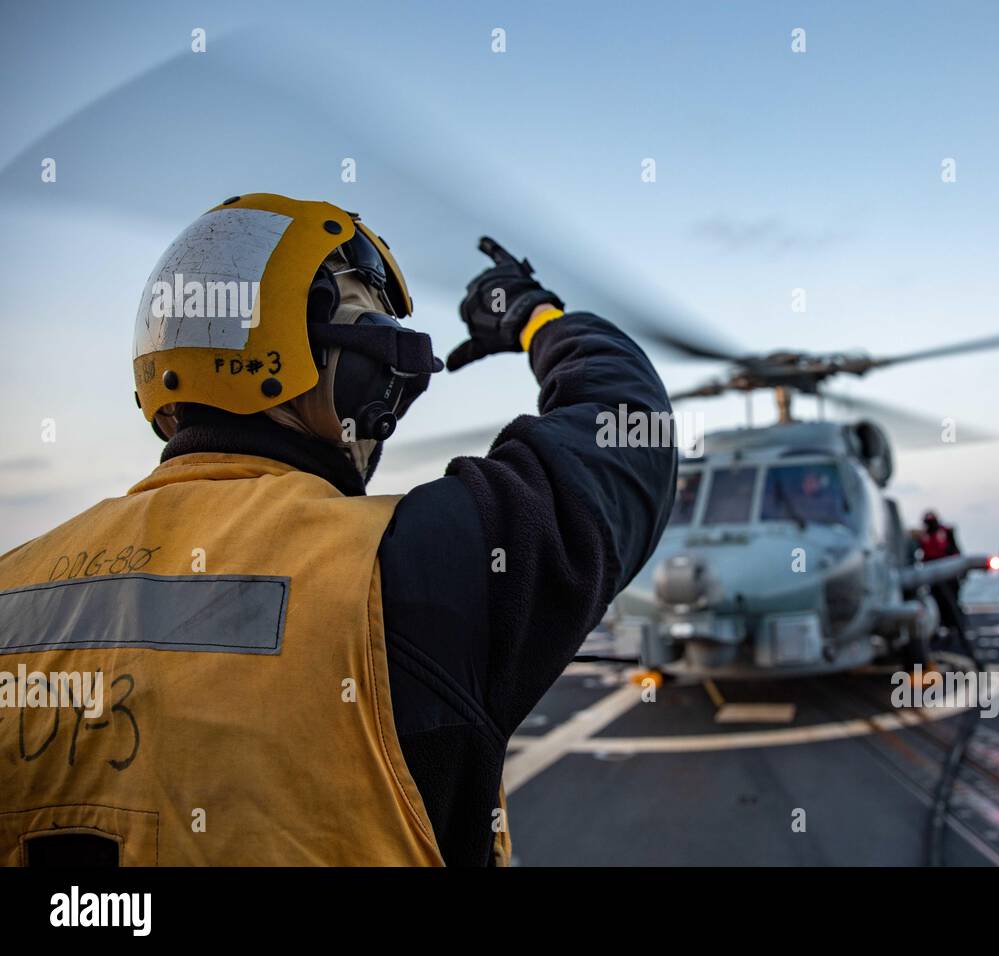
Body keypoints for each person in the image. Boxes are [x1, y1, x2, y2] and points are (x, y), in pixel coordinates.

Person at [0, 194, 677, 867]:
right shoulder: (401, 565)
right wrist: (535, 317)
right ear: (352, 377)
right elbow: (629, 427)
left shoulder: (12, 587)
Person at [915, 510, 967, 645]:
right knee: (938, 604)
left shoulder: (946, 533)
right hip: (933, 576)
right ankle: (942, 630)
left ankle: (957, 631)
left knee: (952, 603)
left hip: (948, 575)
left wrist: (961, 571)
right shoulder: (923, 536)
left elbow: (956, 551)